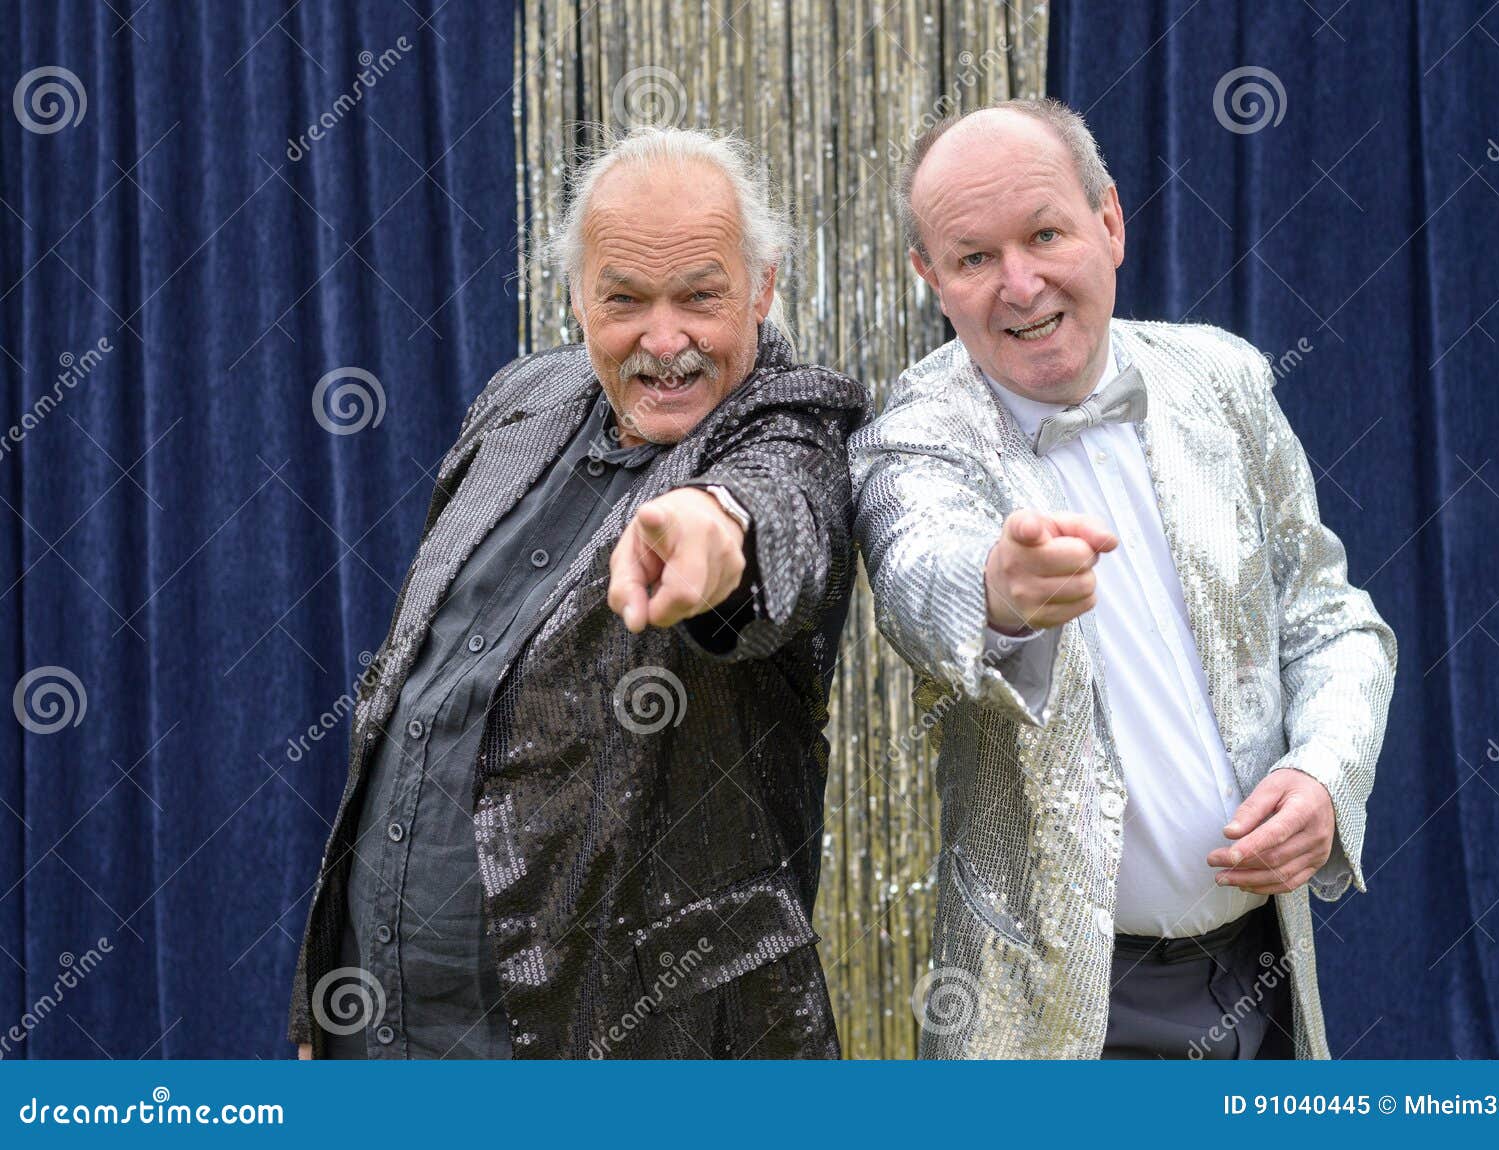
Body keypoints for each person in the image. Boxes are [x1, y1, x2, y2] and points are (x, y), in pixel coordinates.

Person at [287, 125, 867, 1059]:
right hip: (380, 1031)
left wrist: (715, 532)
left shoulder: (792, 422)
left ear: (762, 287)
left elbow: (777, 512)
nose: (664, 341)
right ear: (576, 297)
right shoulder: (521, 398)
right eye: (624, 299)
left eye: (700, 297)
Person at [850, 98, 1397, 1059]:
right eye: (974, 258)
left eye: (1044, 234)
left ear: (1109, 222)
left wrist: (1323, 770)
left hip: (1265, 973)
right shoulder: (913, 436)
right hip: (1062, 1016)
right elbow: (915, 568)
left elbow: (1327, 617)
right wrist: (998, 591)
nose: (1021, 285)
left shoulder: (1223, 376)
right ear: (931, 279)